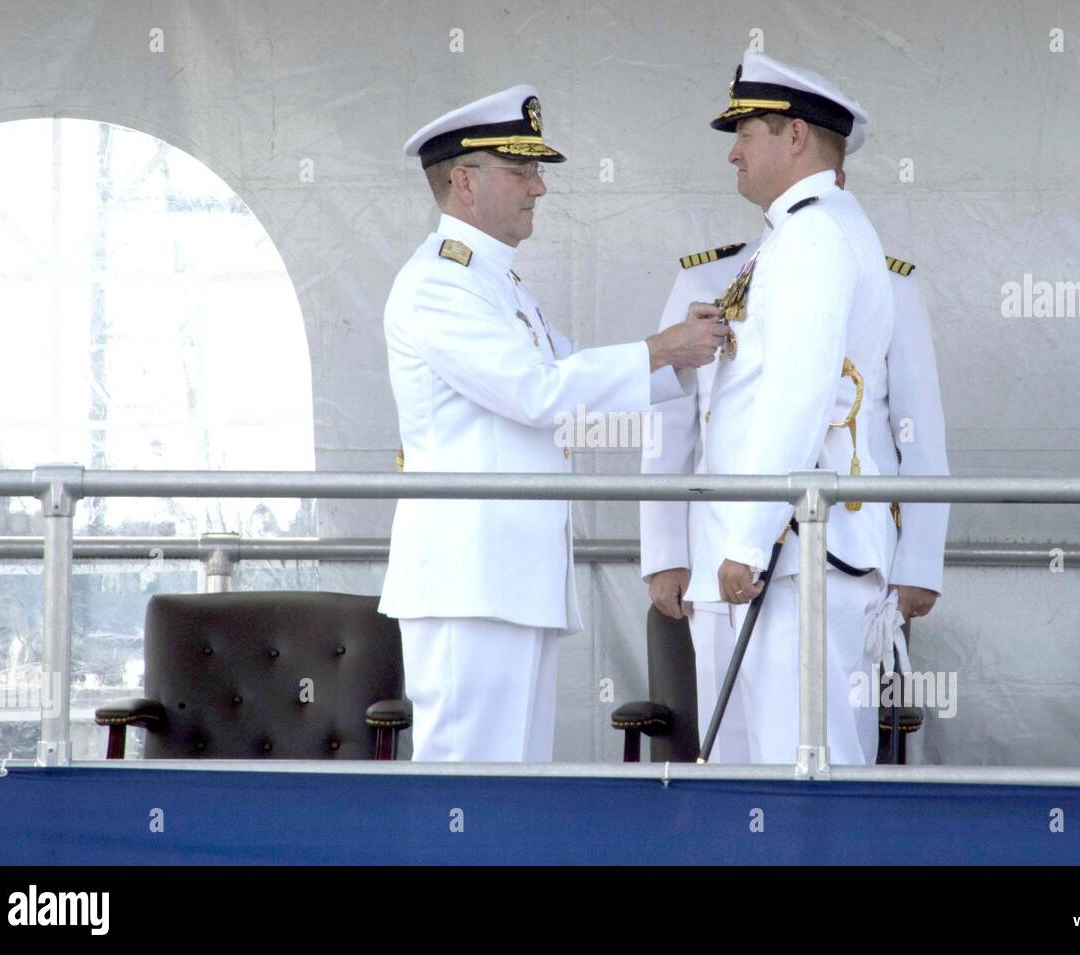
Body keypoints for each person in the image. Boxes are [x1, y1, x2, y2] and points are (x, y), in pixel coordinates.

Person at [380, 84, 727, 761]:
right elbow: (539, 394)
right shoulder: (439, 284)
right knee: (468, 782)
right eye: (522, 171)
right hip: (469, 582)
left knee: (513, 785)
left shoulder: (497, 283)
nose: (538, 188)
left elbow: (570, 370)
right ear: (464, 182)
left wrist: (681, 356)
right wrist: (661, 349)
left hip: (508, 578)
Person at [658, 51, 896, 765]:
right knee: (754, 776)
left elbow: (798, 394)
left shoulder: (814, 234)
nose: (733, 152)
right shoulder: (796, 233)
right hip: (782, 556)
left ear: (794, 136)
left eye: (747, 133)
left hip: (792, 555)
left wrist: (749, 538)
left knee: (801, 773)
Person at [643, 238, 948, 763]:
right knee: (728, 748)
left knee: (829, 743)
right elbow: (668, 428)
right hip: (716, 547)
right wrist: (665, 551)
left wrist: (920, 561)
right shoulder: (709, 278)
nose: (738, 153)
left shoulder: (885, 280)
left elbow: (919, 432)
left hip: (837, 552)